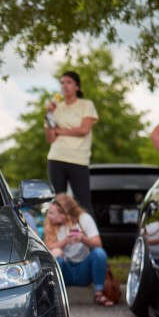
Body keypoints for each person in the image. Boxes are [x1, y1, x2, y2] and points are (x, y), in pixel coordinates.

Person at [44, 71, 98, 215]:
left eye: (68, 82)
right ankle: (60, 236)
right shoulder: (56, 108)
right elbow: (50, 138)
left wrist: (60, 131)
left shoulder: (86, 105)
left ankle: (91, 237)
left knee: (83, 203)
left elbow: (83, 130)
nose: (64, 86)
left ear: (77, 86)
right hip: (56, 158)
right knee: (58, 204)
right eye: (62, 83)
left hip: (78, 160)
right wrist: (48, 114)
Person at [43, 194, 112, 306]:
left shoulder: (83, 219)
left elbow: (98, 244)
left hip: (84, 269)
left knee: (99, 253)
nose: (48, 216)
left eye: (51, 213)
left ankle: (99, 293)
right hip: (65, 270)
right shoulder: (51, 224)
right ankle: (53, 297)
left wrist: (83, 238)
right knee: (56, 256)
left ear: (63, 214)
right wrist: (65, 241)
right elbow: (48, 247)